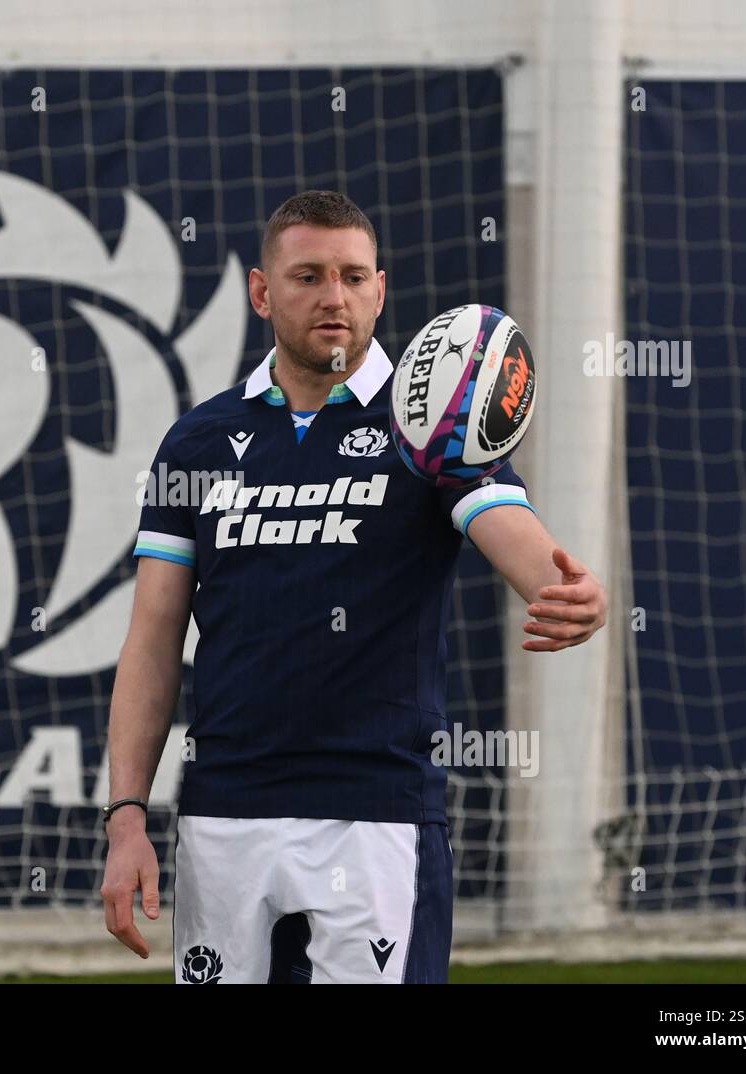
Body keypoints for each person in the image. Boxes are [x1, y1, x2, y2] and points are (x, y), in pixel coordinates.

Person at [101, 190, 607, 983]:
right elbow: (153, 637)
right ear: (263, 293)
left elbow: (516, 536)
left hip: (375, 814)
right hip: (224, 813)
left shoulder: (429, 425)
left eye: (352, 276)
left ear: (379, 288)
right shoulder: (196, 439)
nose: (334, 296)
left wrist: (569, 591)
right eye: (307, 276)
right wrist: (127, 814)